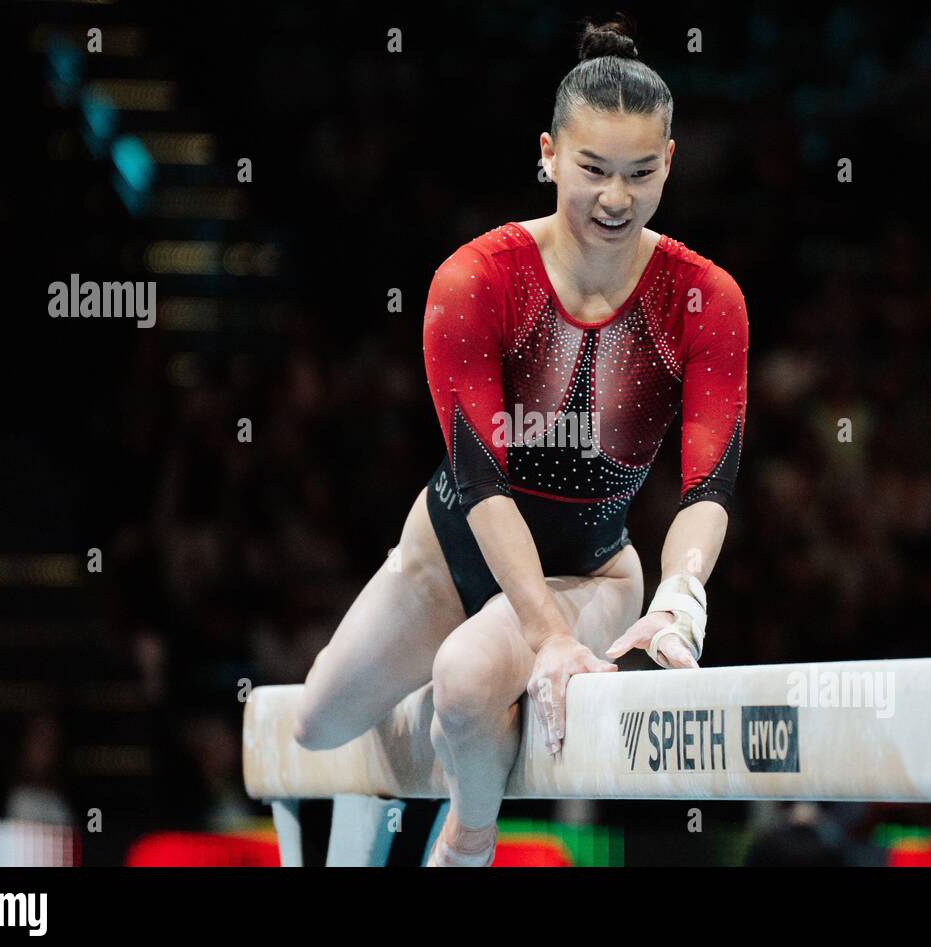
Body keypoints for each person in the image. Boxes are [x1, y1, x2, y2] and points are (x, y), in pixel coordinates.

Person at [293, 15, 749, 866]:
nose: (615, 198)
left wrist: (682, 592)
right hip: (448, 547)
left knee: (467, 682)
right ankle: (447, 718)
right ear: (549, 155)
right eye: (593, 169)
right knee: (316, 726)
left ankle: (469, 834)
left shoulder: (704, 298)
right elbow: (480, 479)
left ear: (670, 163)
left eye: (641, 173)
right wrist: (545, 639)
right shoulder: (477, 279)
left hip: (589, 569)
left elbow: (708, 484)